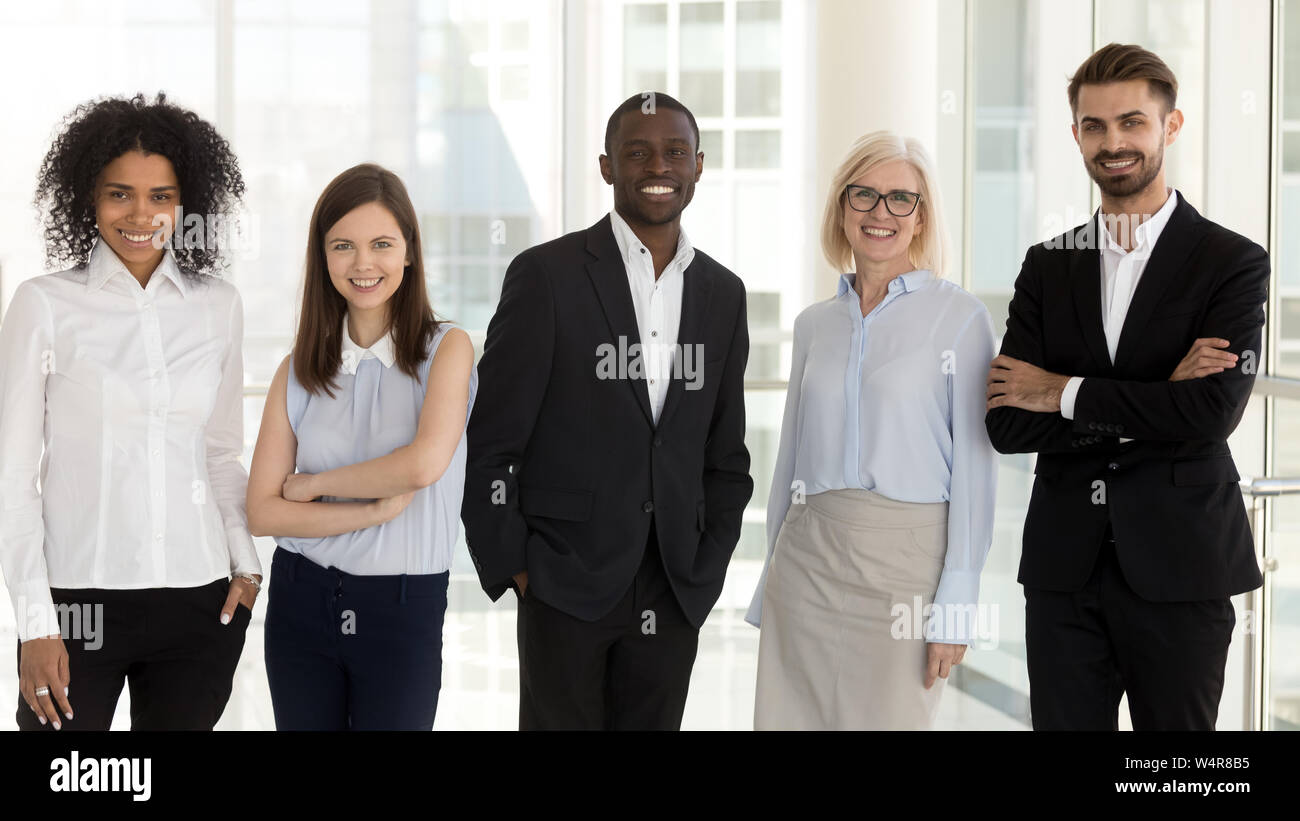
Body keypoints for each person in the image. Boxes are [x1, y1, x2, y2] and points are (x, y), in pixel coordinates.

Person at [985, 43, 1268, 730]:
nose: (1113, 143)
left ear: (1170, 127)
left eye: (1132, 123)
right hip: (1063, 572)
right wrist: (1155, 392)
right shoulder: (1048, 266)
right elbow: (1006, 422)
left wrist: (1064, 389)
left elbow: (1209, 413)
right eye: (1095, 126)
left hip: (1183, 569)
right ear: (1076, 133)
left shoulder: (1231, 262)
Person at [461, 92, 752, 730]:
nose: (659, 165)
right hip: (564, 582)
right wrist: (515, 565)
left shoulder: (724, 294)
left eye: (676, 152)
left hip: (674, 585)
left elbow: (725, 455)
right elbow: (491, 443)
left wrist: (708, 565)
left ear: (699, 165)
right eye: (637, 151)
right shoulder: (546, 275)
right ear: (606, 167)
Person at [0, 93, 258, 730]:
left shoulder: (217, 306)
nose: (141, 214)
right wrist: (35, 624)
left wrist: (247, 564)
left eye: (161, 196)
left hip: (200, 609)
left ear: (185, 202)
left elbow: (221, 453)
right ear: (88, 197)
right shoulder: (44, 305)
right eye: (119, 194)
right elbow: (11, 478)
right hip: (76, 612)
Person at [745, 132, 997, 730]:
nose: (880, 213)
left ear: (922, 216)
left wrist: (955, 608)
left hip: (905, 572)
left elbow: (977, 474)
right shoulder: (815, 325)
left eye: (900, 199)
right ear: (841, 207)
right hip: (805, 562)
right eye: (864, 195)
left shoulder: (961, 319)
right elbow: (790, 463)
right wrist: (767, 583)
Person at [246, 163, 475, 731]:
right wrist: (369, 510)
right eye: (342, 246)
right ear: (323, 257)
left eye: (381, 244)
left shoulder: (448, 350)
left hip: (402, 607)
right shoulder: (296, 370)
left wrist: (315, 487)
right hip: (301, 600)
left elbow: (422, 465)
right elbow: (261, 510)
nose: (362, 263)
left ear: (410, 252)